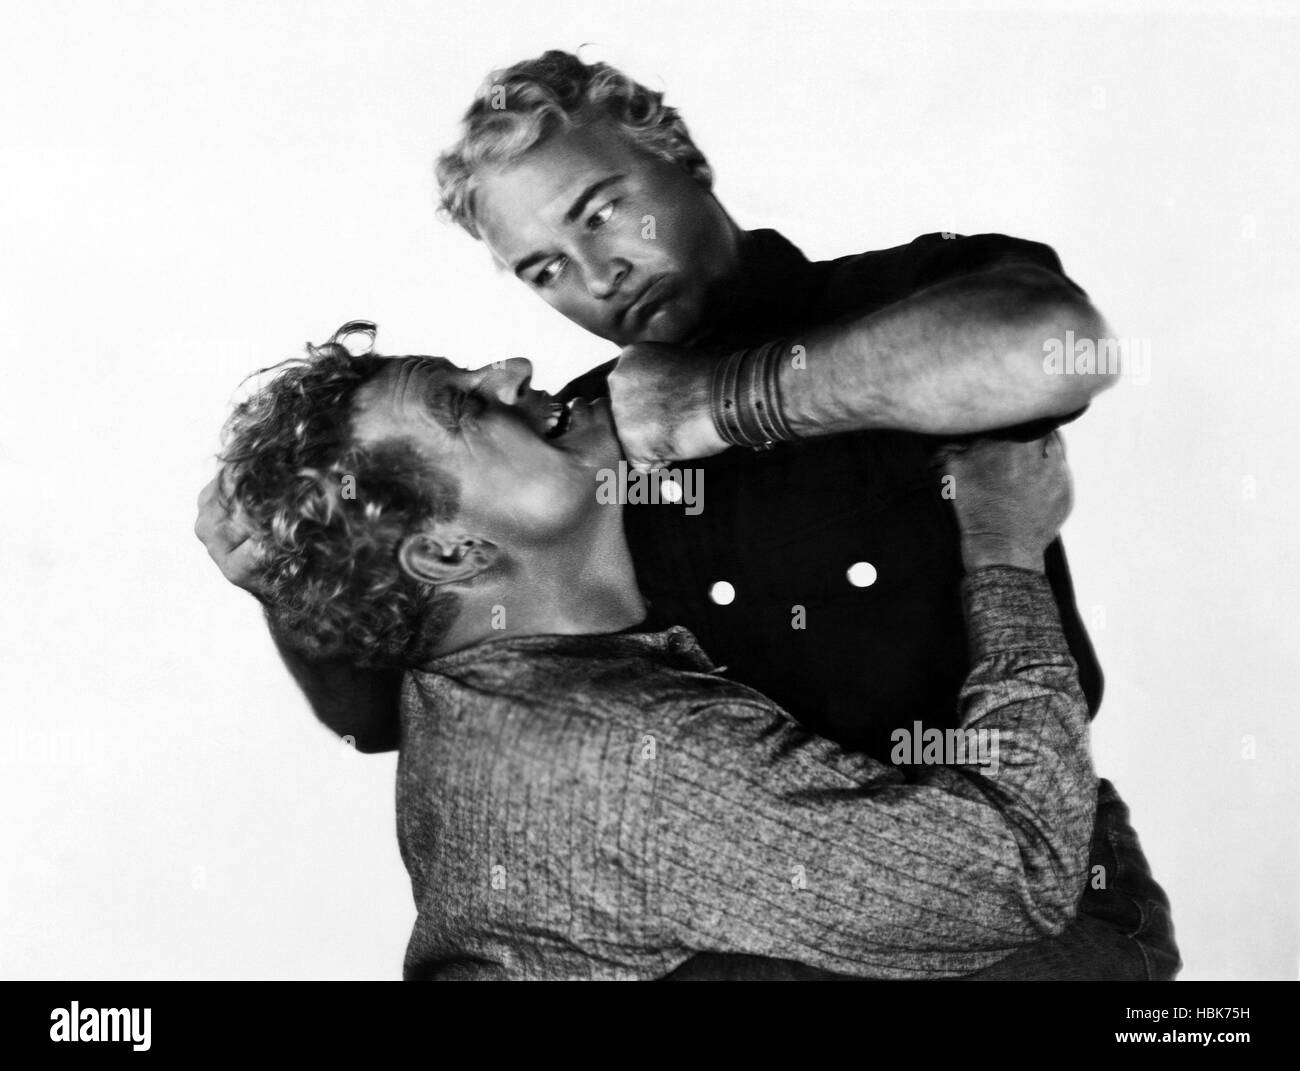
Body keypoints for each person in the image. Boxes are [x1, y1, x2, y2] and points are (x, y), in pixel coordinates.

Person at [196, 51, 1178, 979]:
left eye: (603, 211)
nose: (597, 274)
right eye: (543, 268)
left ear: (681, 158)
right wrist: (284, 573)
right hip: (750, 922)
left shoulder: (906, 298)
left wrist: (720, 403)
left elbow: (1058, 350)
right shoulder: (568, 448)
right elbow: (398, 700)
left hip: (1013, 884)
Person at [217, 329, 1095, 980]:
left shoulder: (452, 675)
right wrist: (1003, 545)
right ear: (451, 554)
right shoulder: (630, 764)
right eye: (467, 405)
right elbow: (1020, 875)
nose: (512, 369)